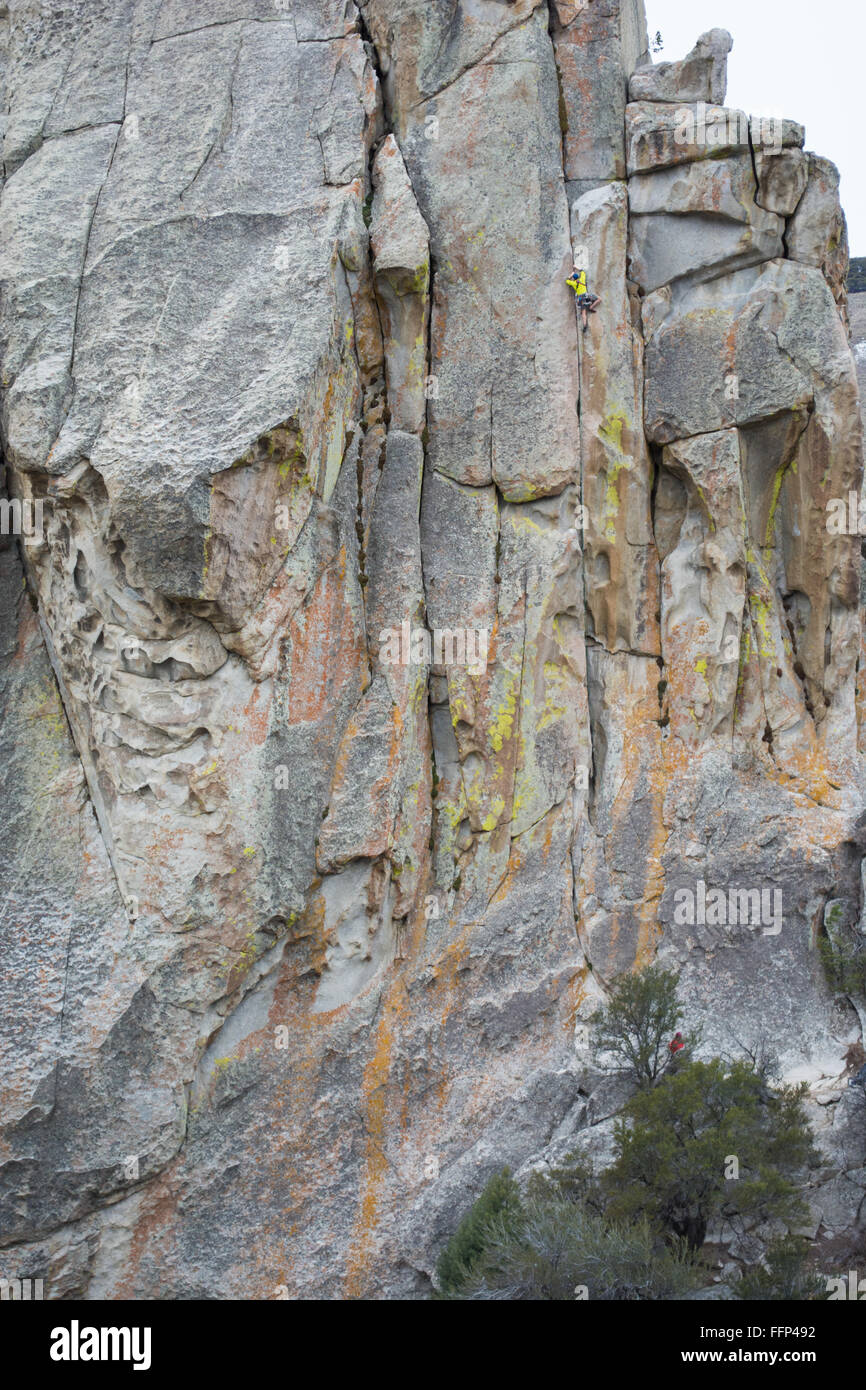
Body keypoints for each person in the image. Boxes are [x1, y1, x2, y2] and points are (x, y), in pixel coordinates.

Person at [566, 266, 602, 333]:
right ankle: (591, 307)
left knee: (583, 313)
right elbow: (582, 270)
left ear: (573, 279)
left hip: (580, 299)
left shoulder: (573, 283)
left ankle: (585, 325)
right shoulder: (582, 278)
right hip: (586, 296)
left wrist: (570, 275)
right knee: (599, 299)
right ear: (578, 277)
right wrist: (575, 267)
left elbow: (567, 281)